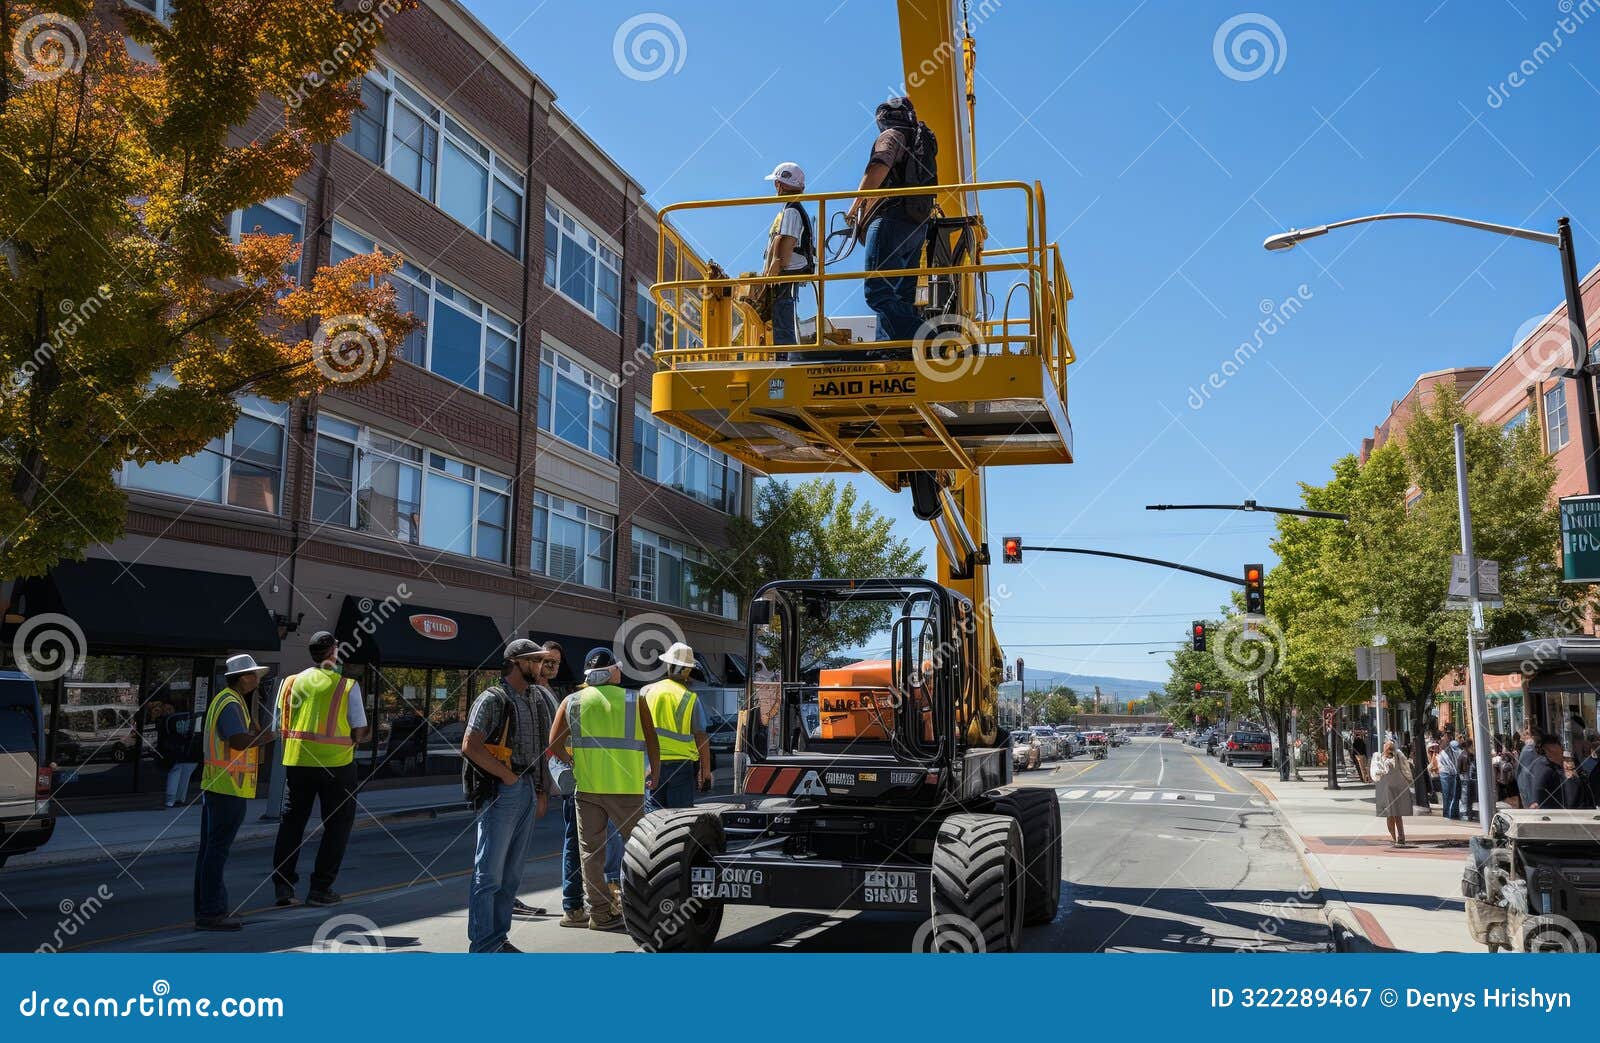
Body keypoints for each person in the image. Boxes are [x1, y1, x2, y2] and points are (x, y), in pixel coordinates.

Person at [548, 647, 660, 932]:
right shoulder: (635, 699)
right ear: (610, 670)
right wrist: (655, 772)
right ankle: (642, 909)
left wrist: (574, 761)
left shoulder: (571, 701)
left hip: (588, 789)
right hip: (627, 788)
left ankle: (599, 914)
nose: (620, 672)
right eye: (618, 667)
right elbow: (652, 740)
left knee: (590, 854)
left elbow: (553, 746)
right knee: (639, 851)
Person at [461, 640, 553, 953]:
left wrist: (541, 789)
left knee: (511, 877)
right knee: (489, 874)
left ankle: (498, 939)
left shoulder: (535, 698)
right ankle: (483, 945)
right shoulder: (493, 698)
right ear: (516, 661)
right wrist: (507, 776)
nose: (541, 665)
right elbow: (470, 744)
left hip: (527, 788)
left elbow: (542, 748)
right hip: (502, 790)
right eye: (536, 660)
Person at [269, 631, 369, 908]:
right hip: (335, 764)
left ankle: (283, 887)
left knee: (292, 823)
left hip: (297, 761)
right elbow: (359, 730)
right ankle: (320, 889)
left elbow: (278, 726)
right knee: (337, 825)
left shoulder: (288, 683)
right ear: (334, 652)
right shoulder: (347, 685)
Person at [193, 655, 277, 931]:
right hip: (227, 787)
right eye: (254, 675)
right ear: (243, 677)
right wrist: (267, 737)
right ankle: (212, 913)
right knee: (216, 852)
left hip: (218, 786)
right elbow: (238, 741)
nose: (257, 679)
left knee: (210, 851)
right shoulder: (230, 703)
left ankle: (209, 909)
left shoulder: (229, 700)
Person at [845, 96, 936, 349]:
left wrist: (855, 207)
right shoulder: (923, 142)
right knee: (903, 295)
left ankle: (921, 335)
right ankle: (894, 348)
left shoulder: (892, 136)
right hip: (917, 224)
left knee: (878, 290)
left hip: (890, 220)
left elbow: (878, 167)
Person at [642, 642, 714, 811]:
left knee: (654, 819)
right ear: (687, 670)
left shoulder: (647, 692)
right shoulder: (690, 698)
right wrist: (706, 771)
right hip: (681, 766)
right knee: (680, 819)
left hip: (652, 764)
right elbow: (701, 736)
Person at [760, 162, 812, 348]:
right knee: (781, 312)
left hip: (786, 272)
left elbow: (786, 239)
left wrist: (776, 263)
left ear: (779, 185)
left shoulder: (791, 210)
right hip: (785, 272)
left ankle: (785, 354)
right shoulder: (790, 208)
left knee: (782, 312)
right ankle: (784, 351)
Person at [1371, 739, 1414, 847]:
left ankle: (1397, 837)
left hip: (1392, 787)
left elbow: (1405, 768)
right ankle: (1398, 837)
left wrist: (1409, 780)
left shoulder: (1396, 756)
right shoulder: (1381, 757)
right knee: (1393, 814)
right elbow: (1376, 771)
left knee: (1393, 814)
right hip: (1390, 787)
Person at [160, 699, 202, 808]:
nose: (167, 712)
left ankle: (171, 799)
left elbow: (166, 737)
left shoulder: (169, 720)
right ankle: (179, 798)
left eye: (168, 709)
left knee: (175, 773)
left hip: (179, 751)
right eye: (165, 710)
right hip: (192, 751)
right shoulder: (193, 716)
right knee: (185, 774)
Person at [1528, 734, 1569, 810]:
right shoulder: (1544, 767)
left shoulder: (1542, 765)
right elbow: (1537, 797)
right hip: (1551, 816)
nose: (1563, 753)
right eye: (1561, 750)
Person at [1437, 732, 1461, 821]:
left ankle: (1450, 814)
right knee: (1446, 795)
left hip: (1453, 774)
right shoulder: (1444, 751)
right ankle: (1446, 814)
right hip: (1445, 775)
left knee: (1452, 795)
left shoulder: (1455, 751)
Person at [1517, 729, 1540, 808]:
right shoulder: (1529, 748)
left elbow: (1526, 774)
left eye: (1526, 733)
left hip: (1531, 796)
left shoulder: (1529, 748)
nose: (1522, 736)